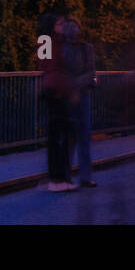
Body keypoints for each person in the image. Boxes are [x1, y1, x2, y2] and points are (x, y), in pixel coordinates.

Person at [39, 11, 77, 192]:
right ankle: (56, 179)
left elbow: (43, 63)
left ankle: (60, 177)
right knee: (57, 136)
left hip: (58, 89)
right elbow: (44, 63)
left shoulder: (57, 41)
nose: (63, 27)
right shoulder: (47, 40)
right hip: (55, 90)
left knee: (61, 135)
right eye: (60, 24)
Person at [63, 17, 98, 188]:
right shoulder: (61, 49)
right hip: (69, 96)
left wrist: (74, 85)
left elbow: (91, 72)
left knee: (83, 137)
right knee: (70, 137)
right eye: (69, 26)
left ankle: (84, 176)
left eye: (74, 25)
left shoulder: (86, 48)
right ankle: (67, 176)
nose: (71, 28)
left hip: (81, 96)